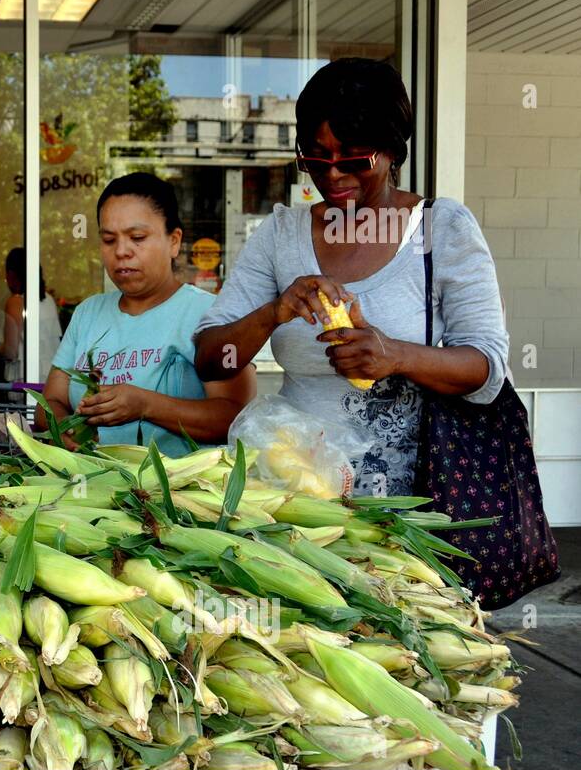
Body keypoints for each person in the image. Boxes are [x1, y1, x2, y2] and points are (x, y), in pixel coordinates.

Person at [193, 57, 510, 495]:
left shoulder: (443, 229)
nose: (334, 175)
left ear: (394, 150)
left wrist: (395, 356)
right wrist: (274, 312)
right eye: (317, 160)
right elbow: (212, 359)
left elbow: (487, 367)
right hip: (297, 506)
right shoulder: (282, 234)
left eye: (355, 159)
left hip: (414, 507)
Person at [39, 173, 256, 453]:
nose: (121, 251)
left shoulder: (211, 314)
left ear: (174, 241)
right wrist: (64, 426)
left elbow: (237, 417)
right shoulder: (88, 313)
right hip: (93, 486)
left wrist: (146, 406)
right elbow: (49, 403)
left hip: (178, 492)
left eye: (137, 237)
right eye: (108, 240)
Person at [0, 247, 63, 382]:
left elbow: (10, 351)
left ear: (12, 274)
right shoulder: (48, 299)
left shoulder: (16, 302)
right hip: (51, 378)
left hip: (26, 380)